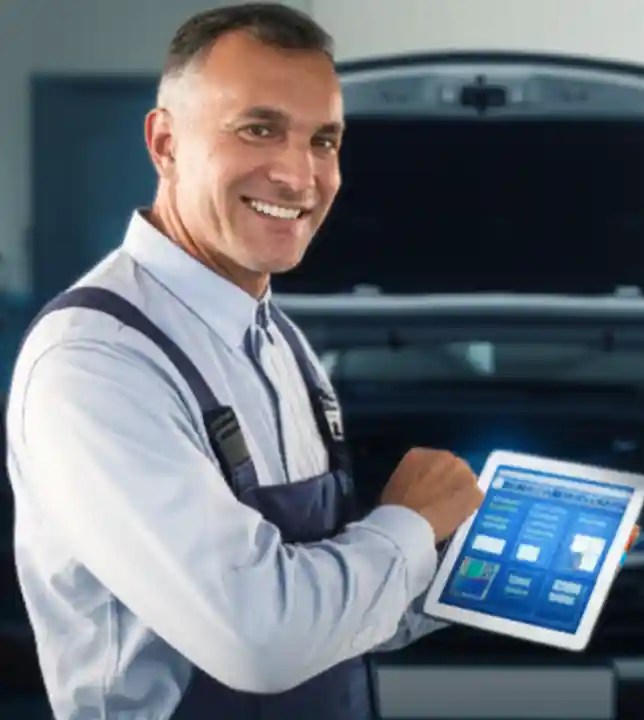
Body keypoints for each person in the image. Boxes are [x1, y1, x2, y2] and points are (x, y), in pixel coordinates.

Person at [4, 4, 484, 718]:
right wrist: (410, 523)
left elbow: (333, 615)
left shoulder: (281, 344)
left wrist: (483, 571)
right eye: (259, 129)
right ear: (165, 143)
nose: (299, 175)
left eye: (324, 140)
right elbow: (260, 641)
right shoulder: (94, 362)